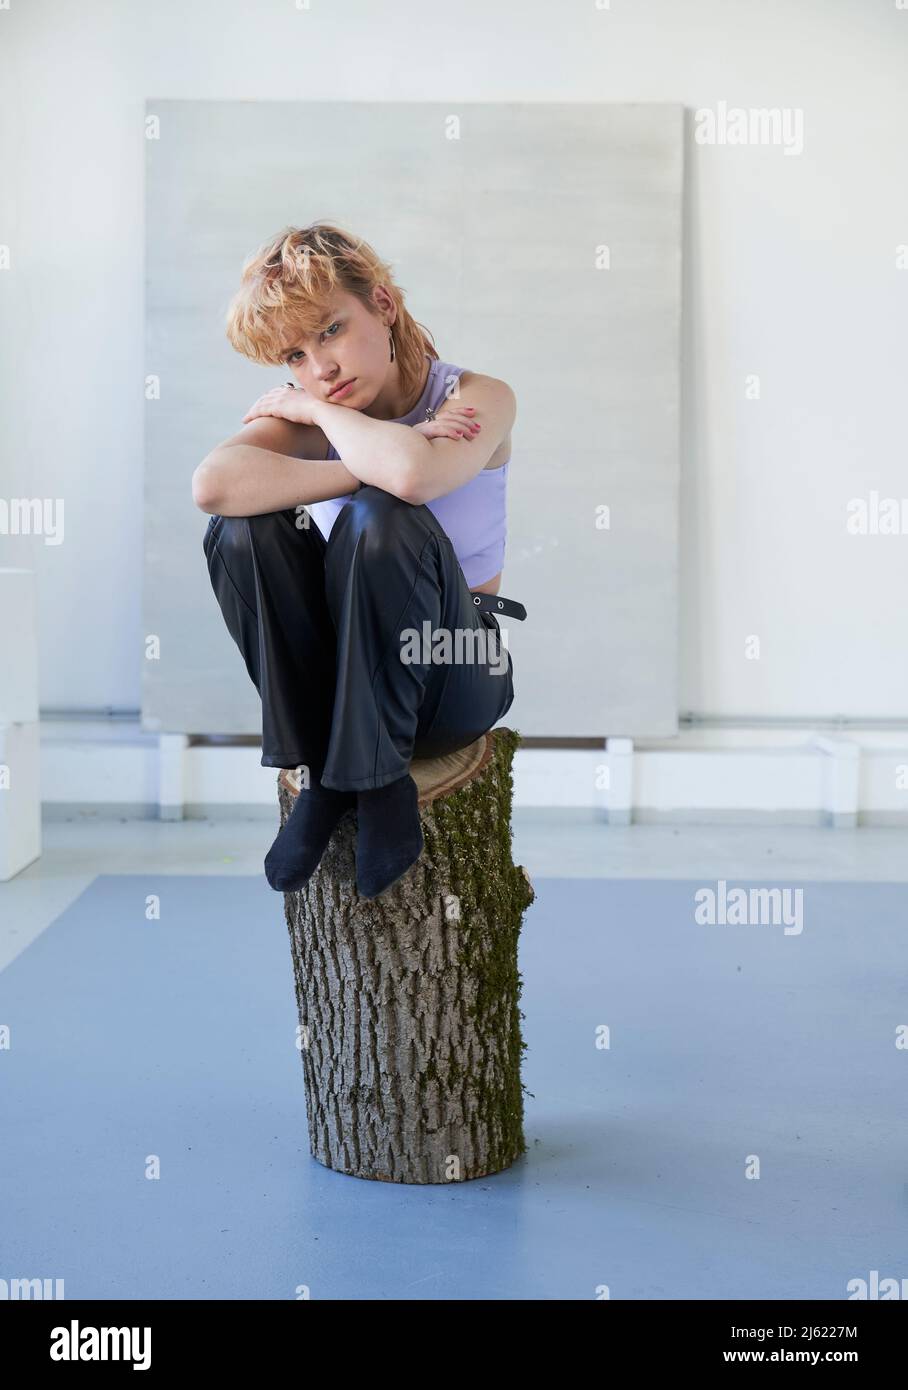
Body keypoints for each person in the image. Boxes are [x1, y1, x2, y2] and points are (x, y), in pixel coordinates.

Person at [192, 222, 523, 900]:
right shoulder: (314, 410)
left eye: (331, 331)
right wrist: (331, 441)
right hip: (345, 684)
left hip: (454, 669)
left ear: (383, 304)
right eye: (295, 357)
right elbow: (214, 485)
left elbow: (411, 480)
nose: (321, 371)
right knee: (242, 532)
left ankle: (372, 779)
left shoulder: (478, 399)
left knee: (386, 516)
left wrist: (323, 423)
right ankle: (326, 769)